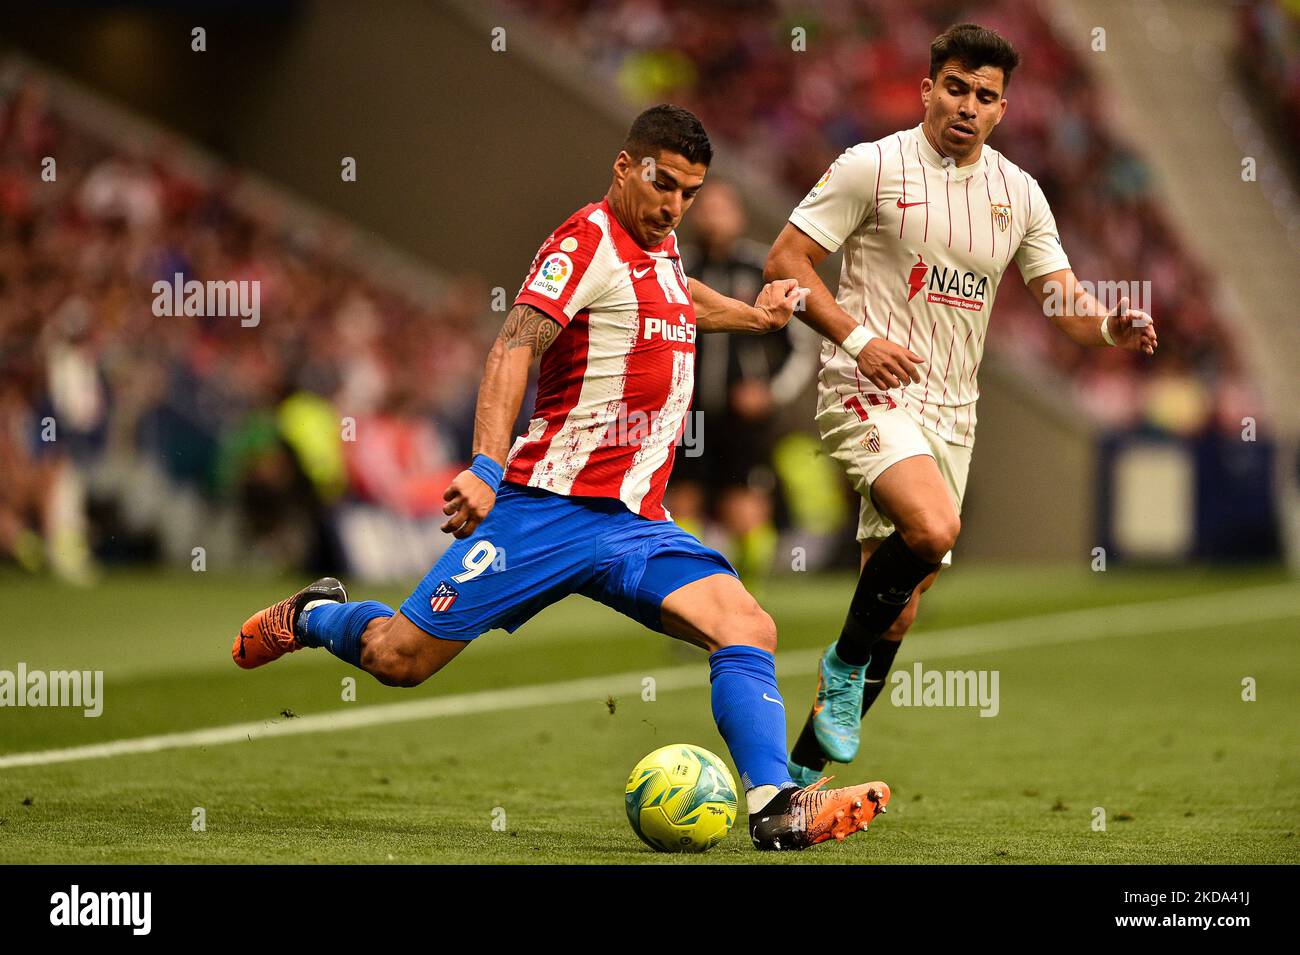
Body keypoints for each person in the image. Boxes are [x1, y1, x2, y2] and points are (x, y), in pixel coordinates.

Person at [231, 104, 890, 851]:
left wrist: (753, 318)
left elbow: (678, 297)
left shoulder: (661, 246)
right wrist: (485, 464)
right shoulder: (583, 243)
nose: (673, 205)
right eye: (662, 183)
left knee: (747, 625)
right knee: (397, 659)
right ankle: (317, 613)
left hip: (635, 522)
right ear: (624, 167)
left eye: (689, 193)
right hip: (543, 510)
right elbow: (513, 345)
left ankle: (774, 804)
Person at [764, 24, 1158, 784]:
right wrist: (857, 339)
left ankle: (799, 780)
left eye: (985, 96)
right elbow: (787, 260)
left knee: (900, 607)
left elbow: (1060, 297)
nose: (968, 106)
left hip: (953, 414)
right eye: (955, 87)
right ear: (927, 89)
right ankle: (842, 668)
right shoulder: (869, 166)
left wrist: (1110, 321)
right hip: (866, 388)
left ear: (1003, 108)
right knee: (936, 523)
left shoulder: (1019, 194)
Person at [671, 181, 818, 590]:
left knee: (746, 510)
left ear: (739, 216)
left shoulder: (760, 270)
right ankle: (691, 598)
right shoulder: (677, 268)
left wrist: (770, 392)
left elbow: (800, 347)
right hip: (691, 414)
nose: (713, 216)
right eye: (706, 207)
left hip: (742, 421)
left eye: (722, 208)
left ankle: (749, 594)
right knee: (683, 502)